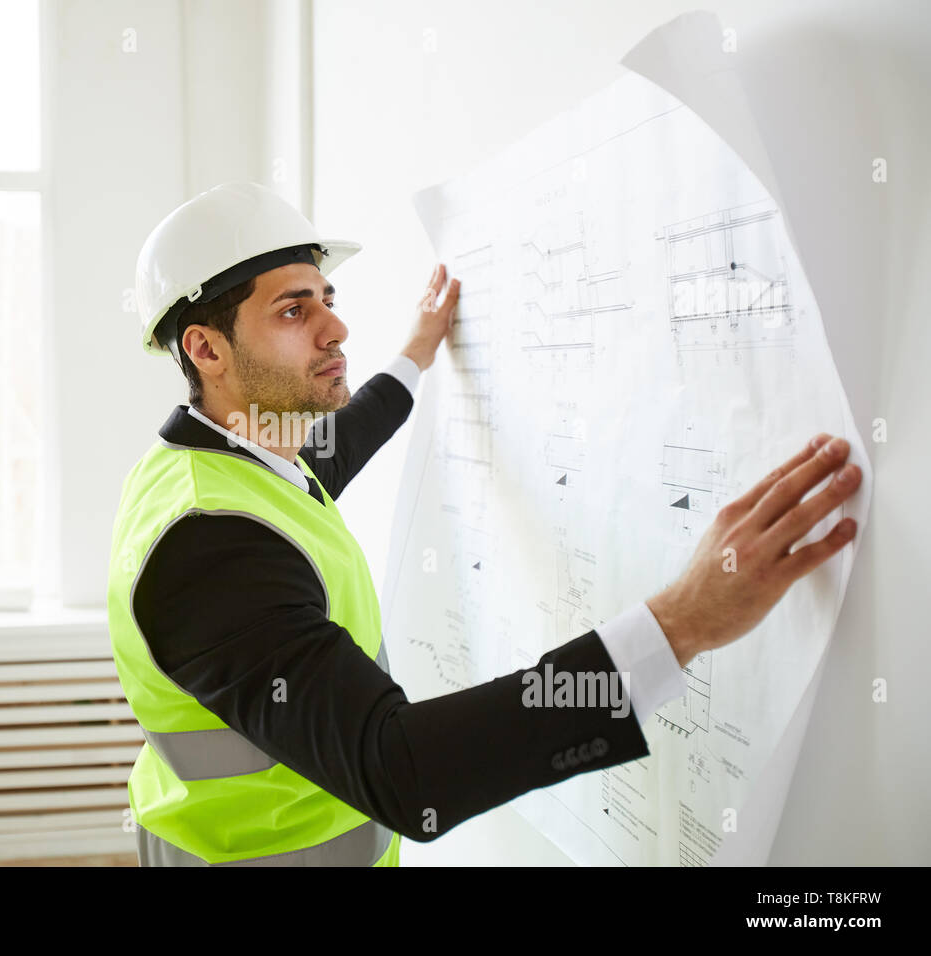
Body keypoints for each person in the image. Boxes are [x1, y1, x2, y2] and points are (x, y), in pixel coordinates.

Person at [106, 181, 863, 866]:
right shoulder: (207, 547)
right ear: (206, 348)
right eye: (294, 309)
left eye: (327, 297)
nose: (336, 327)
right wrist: (683, 622)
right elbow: (405, 771)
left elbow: (343, 443)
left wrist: (416, 353)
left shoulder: (241, 452)